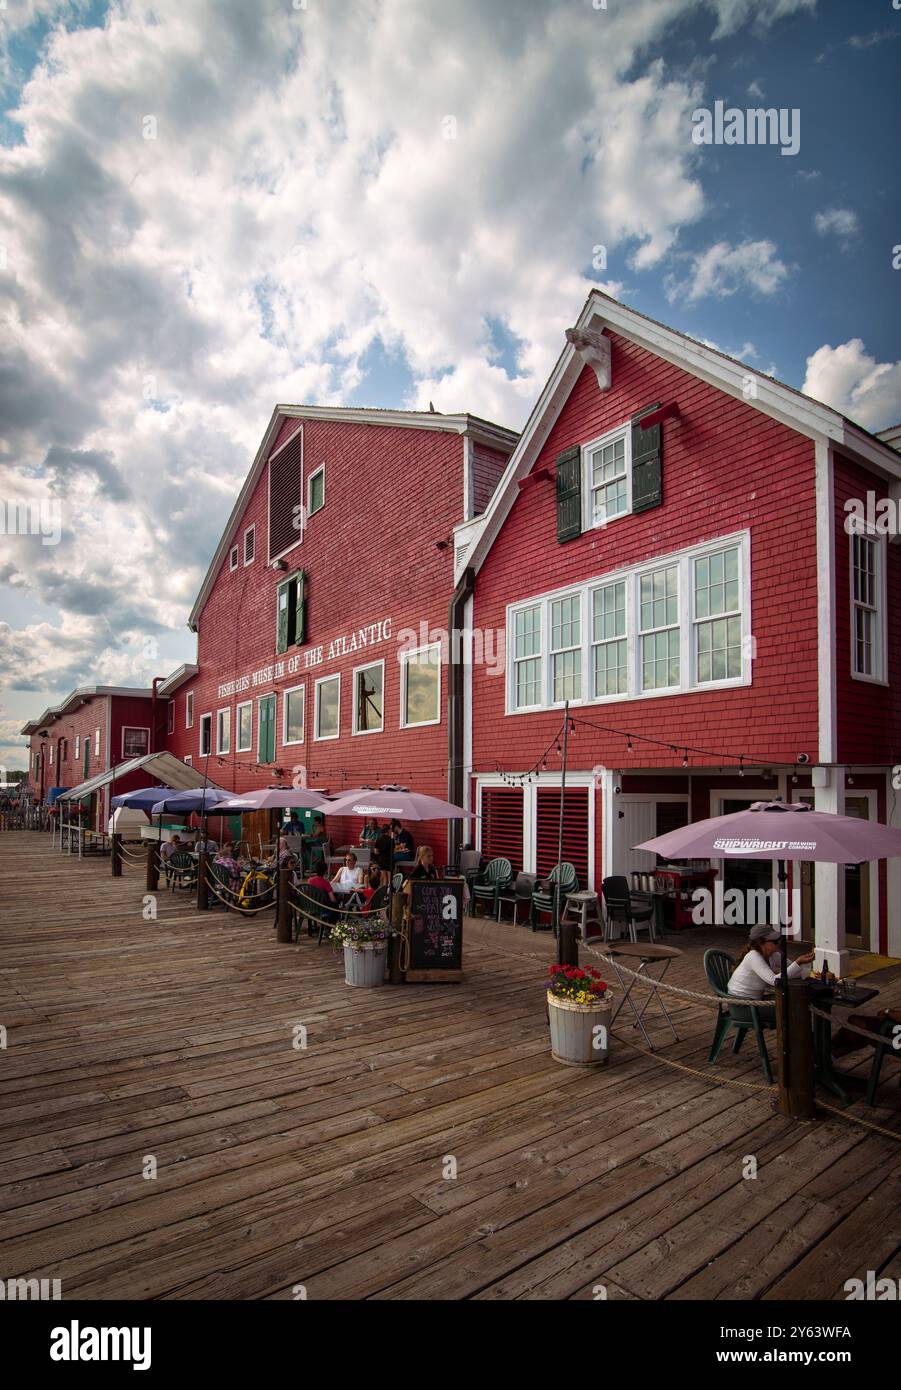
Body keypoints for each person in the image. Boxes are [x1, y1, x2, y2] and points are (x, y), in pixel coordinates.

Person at [727, 925, 815, 1025]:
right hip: (741, 1006)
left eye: (778, 940)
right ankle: (796, 1039)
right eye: (774, 941)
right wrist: (798, 962)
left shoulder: (773, 955)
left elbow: (792, 969)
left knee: (794, 1000)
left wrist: (809, 969)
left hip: (754, 1001)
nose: (778, 943)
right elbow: (774, 981)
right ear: (761, 943)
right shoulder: (753, 956)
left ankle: (800, 1038)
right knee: (790, 1010)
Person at [374, 821, 394, 887]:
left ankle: (383, 891)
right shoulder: (391, 840)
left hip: (381, 859)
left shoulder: (378, 839)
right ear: (388, 831)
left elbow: (376, 851)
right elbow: (393, 850)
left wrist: (381, 852)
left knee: (383, 876)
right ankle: (389, 891)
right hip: (389, 859)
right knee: (389, 877)